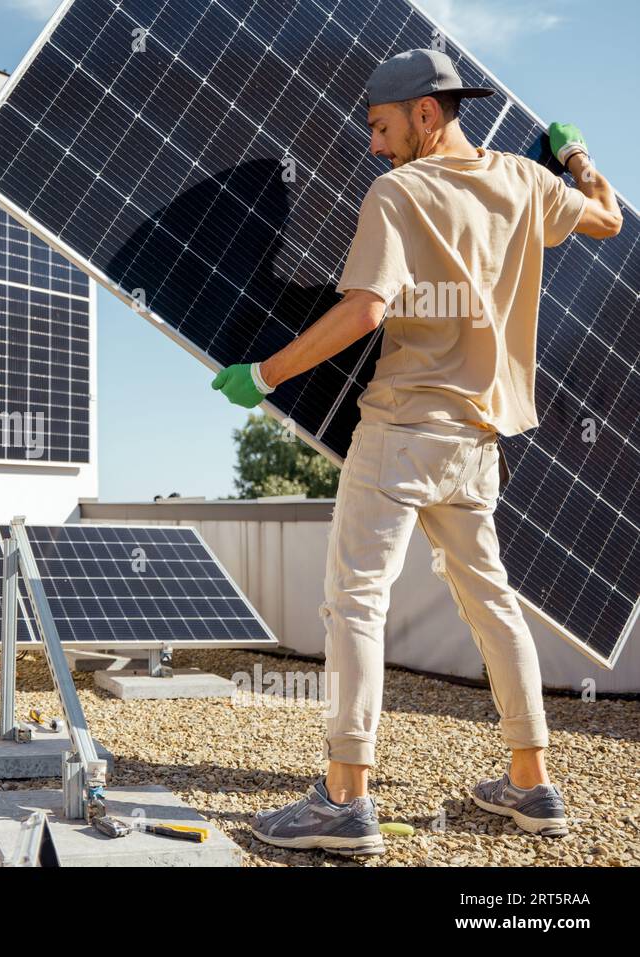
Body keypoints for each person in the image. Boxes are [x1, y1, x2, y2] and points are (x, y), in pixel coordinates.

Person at [210, 48, 623, 856]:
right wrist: (573, 154)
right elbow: (606, 215)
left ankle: (344, 797)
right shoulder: (525, 183)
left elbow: (364, 311)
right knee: (490, 603)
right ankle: (532, 783)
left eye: (381, 125)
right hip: (478, 441)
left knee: (356, 603)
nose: (374, 145)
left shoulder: (399, 193)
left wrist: (263, 373)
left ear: (426, 113)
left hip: (401, 431)